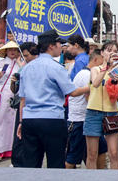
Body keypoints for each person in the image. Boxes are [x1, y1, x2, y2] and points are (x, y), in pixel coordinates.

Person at [17, 30, 89, 168]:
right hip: (52, 119)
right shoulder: (55, 67)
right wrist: (91, 87)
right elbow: (72, 92)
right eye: (59, 44)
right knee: (55, 163)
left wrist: (21, 122)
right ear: (51, 46)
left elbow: (22, 99)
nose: (61, 47)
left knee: (30, 164)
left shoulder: (27, 68)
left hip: (29, 119)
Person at [85, 41, 118, 170]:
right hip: (93, 112)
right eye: (108, 50)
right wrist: (106, 66)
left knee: (113, 153)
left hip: (111, 112)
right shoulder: (95, 69)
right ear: (102, 53)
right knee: (92, 154)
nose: (112, 53)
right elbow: (95, 83)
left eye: (115, 51)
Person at [65, 50, 104, 169]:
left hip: (87, 119)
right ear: (96, 60)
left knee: (100, 151)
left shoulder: (83, 73)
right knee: (73, 157)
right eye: (102, 62)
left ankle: (99, 177)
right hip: (80, 120)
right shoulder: (88, 75)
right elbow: (89, 97)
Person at [10, 41, 38, 167]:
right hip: (23, 107)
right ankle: (18, 160)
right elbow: (15, 90)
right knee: (19, 135)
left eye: (27, 56)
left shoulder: (40, 67)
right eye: (24, 56)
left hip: (34, 107)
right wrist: (13, 81)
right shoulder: (23, 68)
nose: (26, 58)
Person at [0, 41, 22, 160]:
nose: (12, 52)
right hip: (1, 92)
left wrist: (20, 63)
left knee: (12, 122)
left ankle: (10, 149)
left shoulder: (20, 64)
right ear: (5, 51)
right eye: (10, 49)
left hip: (15, 94)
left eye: (15, 50)